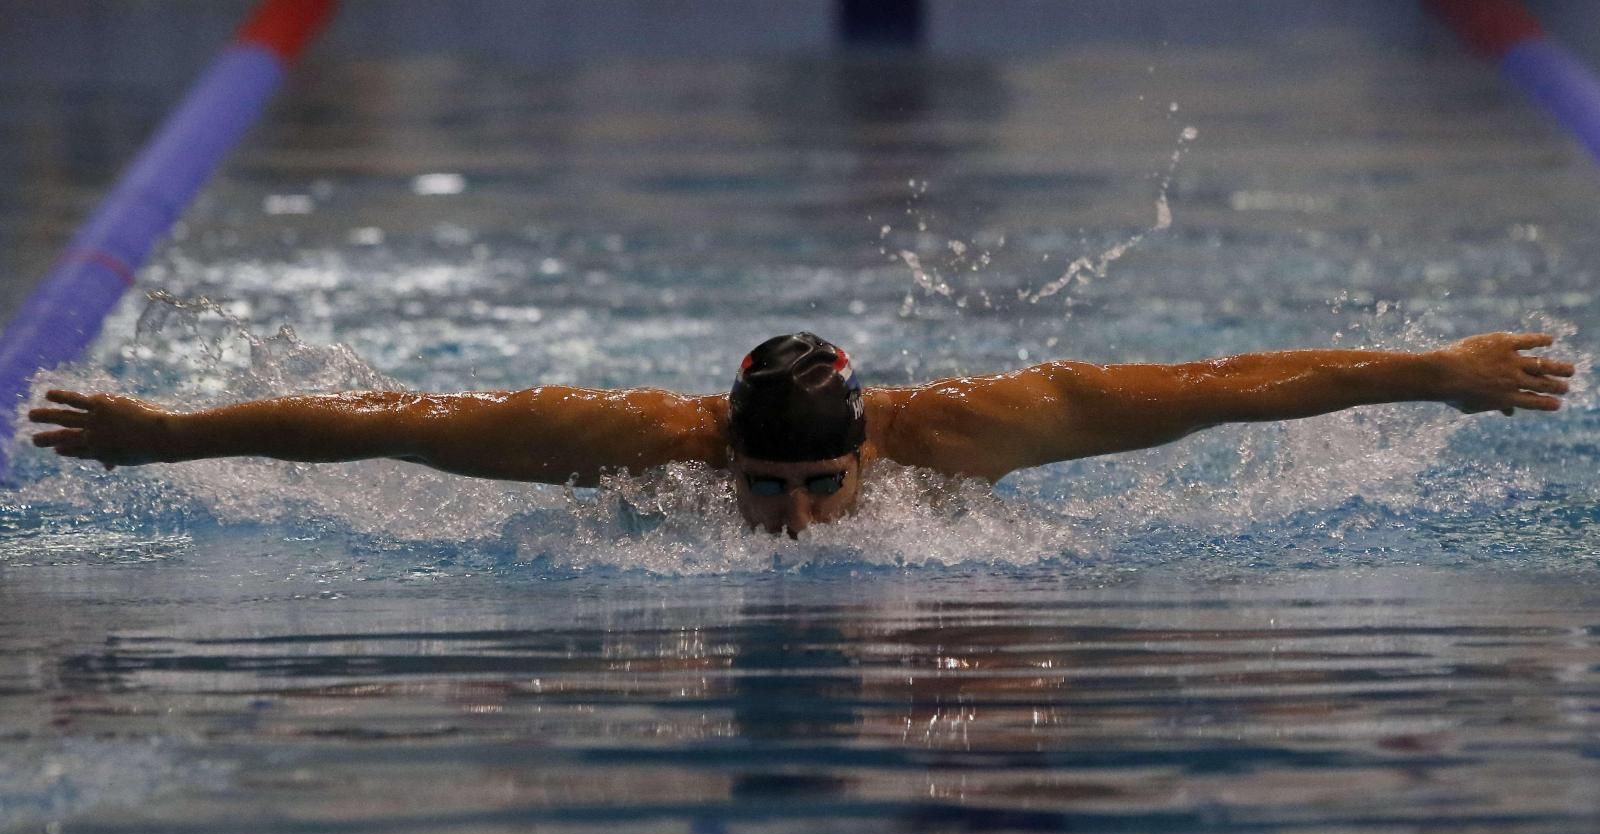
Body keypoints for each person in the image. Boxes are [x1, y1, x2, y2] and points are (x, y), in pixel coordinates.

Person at [27, 329, 1573, 537]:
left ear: (863, 442)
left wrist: (1435, 371)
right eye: (759, 486)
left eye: (814, 487)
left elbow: (1232, 384)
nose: (786, 518)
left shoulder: (984, 430)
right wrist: (167, 438)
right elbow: (388, 427)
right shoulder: (626, 442)